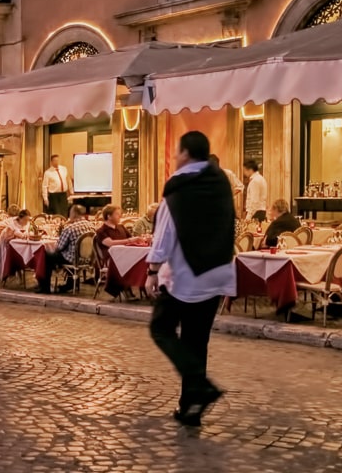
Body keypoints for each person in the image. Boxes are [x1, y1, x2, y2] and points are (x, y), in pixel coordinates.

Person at [147, 131, 236, 427]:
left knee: (161, 328)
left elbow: (164, 236)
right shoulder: (221, 184)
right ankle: (191, 409)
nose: (175, 157)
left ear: (185, 153)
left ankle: (201, 386)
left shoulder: (179, 189)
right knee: (197, 341)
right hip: (218, 272)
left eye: (177, 152)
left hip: (185, 276)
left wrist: (152, 271)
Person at [36, 205, 96, 294]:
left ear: (74, 214)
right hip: (86, 259)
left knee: (46, 255)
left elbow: (59, 247)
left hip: (72, 259)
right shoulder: (91, 226)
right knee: (68, 251)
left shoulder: (70, 228)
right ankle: (71, 284)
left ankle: (45, 287)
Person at [94, 206, 132, 298]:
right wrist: (129, 241)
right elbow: (110, 243)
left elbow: (131, 238)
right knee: (126, 262)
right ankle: (124, 289)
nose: (120, 216)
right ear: (109, 216)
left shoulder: (121, 227)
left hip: (125, 255)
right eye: (117, 214)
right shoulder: (101, 231)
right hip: (110, 258)